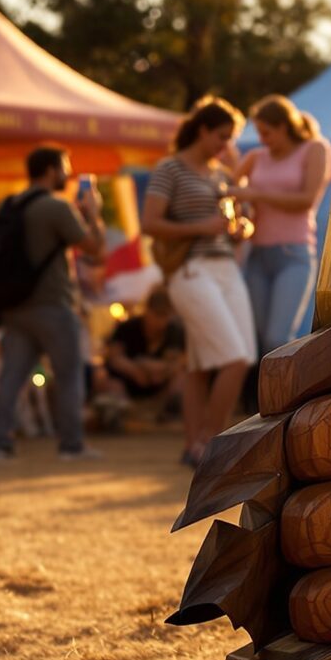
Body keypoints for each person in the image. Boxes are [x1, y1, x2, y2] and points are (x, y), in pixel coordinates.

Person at [144, 98, 257, 467]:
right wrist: (200, 227)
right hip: (190, 270)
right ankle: (210, 445)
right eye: (221, 137)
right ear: (203, 130)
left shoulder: (222, 176)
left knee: (202, 362)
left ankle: (194, 443)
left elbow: (237, 225)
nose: (226, 146)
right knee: (234, 359)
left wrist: (240, 229)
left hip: (225, 267)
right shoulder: (170, 169)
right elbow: (149, 224)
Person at [0, 146, 104, 463]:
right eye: (64, 167)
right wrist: (93, 212)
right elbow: (95, 250)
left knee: (11, 377)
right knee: (68, 376)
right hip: (53, 305)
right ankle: (72, 445)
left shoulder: (9, 203)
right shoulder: (56, 207)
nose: (66, 175)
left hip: (15, 305)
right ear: (51, 170)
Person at [232, 96, 331, 357]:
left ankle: (288, 396)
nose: (263, 139)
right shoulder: (256, 156)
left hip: (293, 254)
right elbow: (229, 187)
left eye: (267, 132)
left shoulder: (314, 149)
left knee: (277, 338)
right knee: (258, 339)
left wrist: (255, 196)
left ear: (284, 127)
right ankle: (262, 396)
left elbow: (307, 200)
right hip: (257, 256)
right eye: (259, 133)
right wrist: (239, 210)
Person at [102, 287, 186, 410]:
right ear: (147, 311)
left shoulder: (175, 331)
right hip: (127, 382)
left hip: (160, 385)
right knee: (111, 384)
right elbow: (114, 357)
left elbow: (182, 360)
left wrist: (164, 369)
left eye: (165, 316)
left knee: (182, 380)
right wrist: (134, 370)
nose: (160, 322)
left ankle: (163, 410)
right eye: (157, 314)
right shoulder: (127, 328)